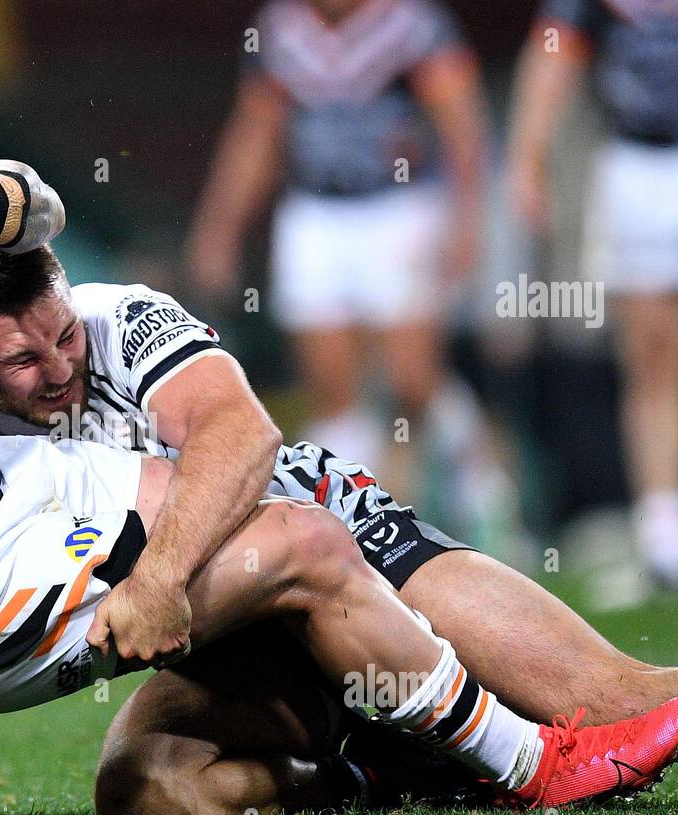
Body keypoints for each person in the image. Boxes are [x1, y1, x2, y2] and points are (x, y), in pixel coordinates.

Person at [0, 40, 678, 815]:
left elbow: (34, 205)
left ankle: (396, 734)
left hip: (2, 480)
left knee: (274, 511)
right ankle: (530, 761)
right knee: (301, 549)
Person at [0, 244, 678, 815]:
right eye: (21, 359)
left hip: (344, 550)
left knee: (616, 697)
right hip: (236, 622)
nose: (58, 370)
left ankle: (473, 738)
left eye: (64, 339)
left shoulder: (121, 315)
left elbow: (241, 433)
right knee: (148, 793)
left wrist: (161, 577)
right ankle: (380, 765)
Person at [185, 0, 511, 545]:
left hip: (399, 207)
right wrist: (220, 227)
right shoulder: (280, 30)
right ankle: (363, 525)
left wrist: (469, 225)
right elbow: (257, 132)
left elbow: (462, 127)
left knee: (413, 379)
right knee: (333, 389)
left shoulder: (411, 25)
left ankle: (482, 483)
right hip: (316, 214)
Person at [509, 0, 678, 593]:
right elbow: (553, 52)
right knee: (653, 356)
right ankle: (665, 537)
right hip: (637, 165)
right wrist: (528, 157)